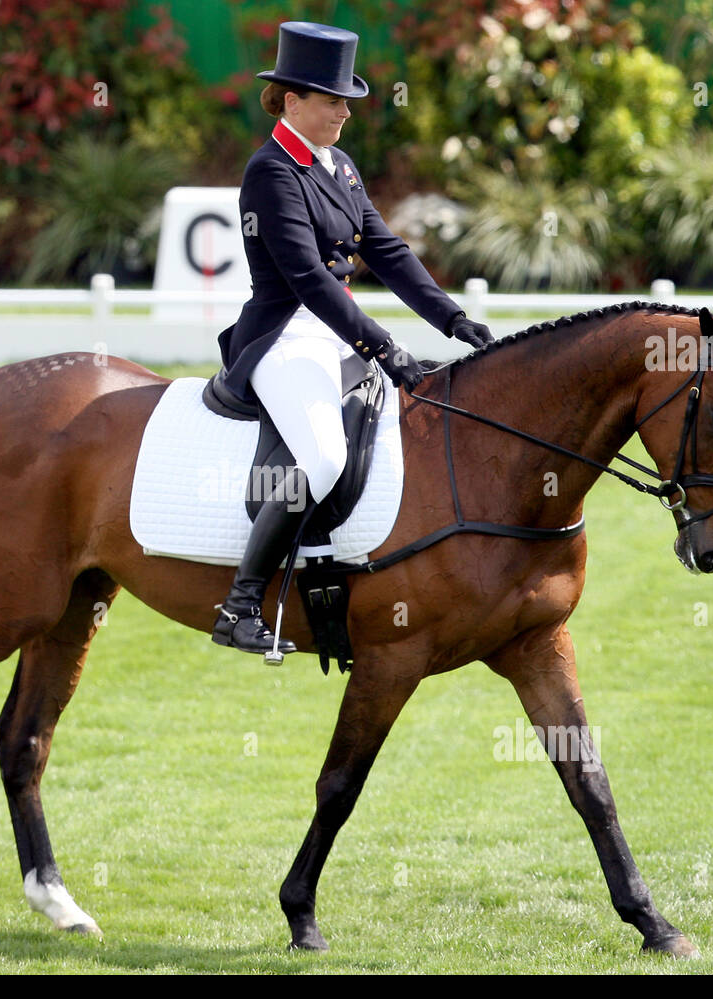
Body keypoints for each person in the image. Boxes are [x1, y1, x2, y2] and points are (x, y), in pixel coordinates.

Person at [212, 21, 493, 656]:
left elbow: (387, 253)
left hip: (335, 332)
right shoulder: (270, 172)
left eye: (347, 100)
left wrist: (452, 320)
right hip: (285, 336)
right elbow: (308, 277)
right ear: (291, 101)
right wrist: (381, 346)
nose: (345, 110)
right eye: (332, 99)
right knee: (323, 459)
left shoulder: (338, 166)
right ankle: (240, 606)